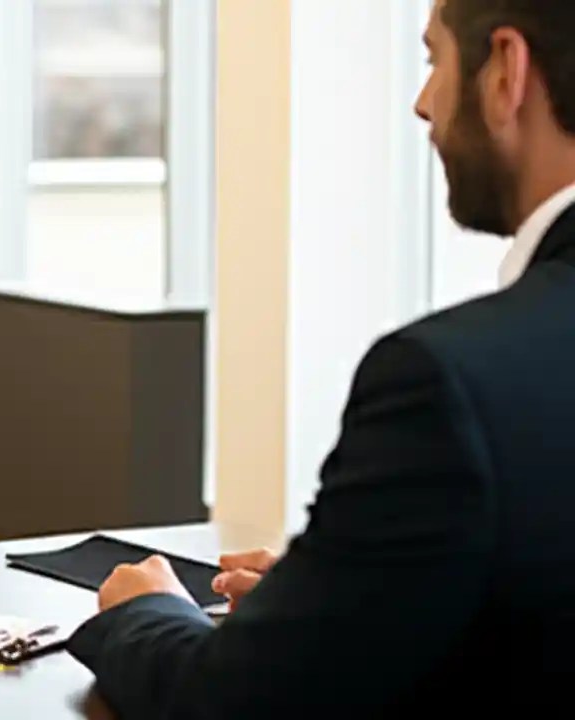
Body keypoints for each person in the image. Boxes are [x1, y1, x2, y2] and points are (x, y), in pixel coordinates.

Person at [68, 0, 575, 715]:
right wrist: (341, 600)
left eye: (434, 61)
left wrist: (141, 613)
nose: (423, 104)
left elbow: (232, 702)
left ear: (505, 71)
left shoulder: (448, 381)